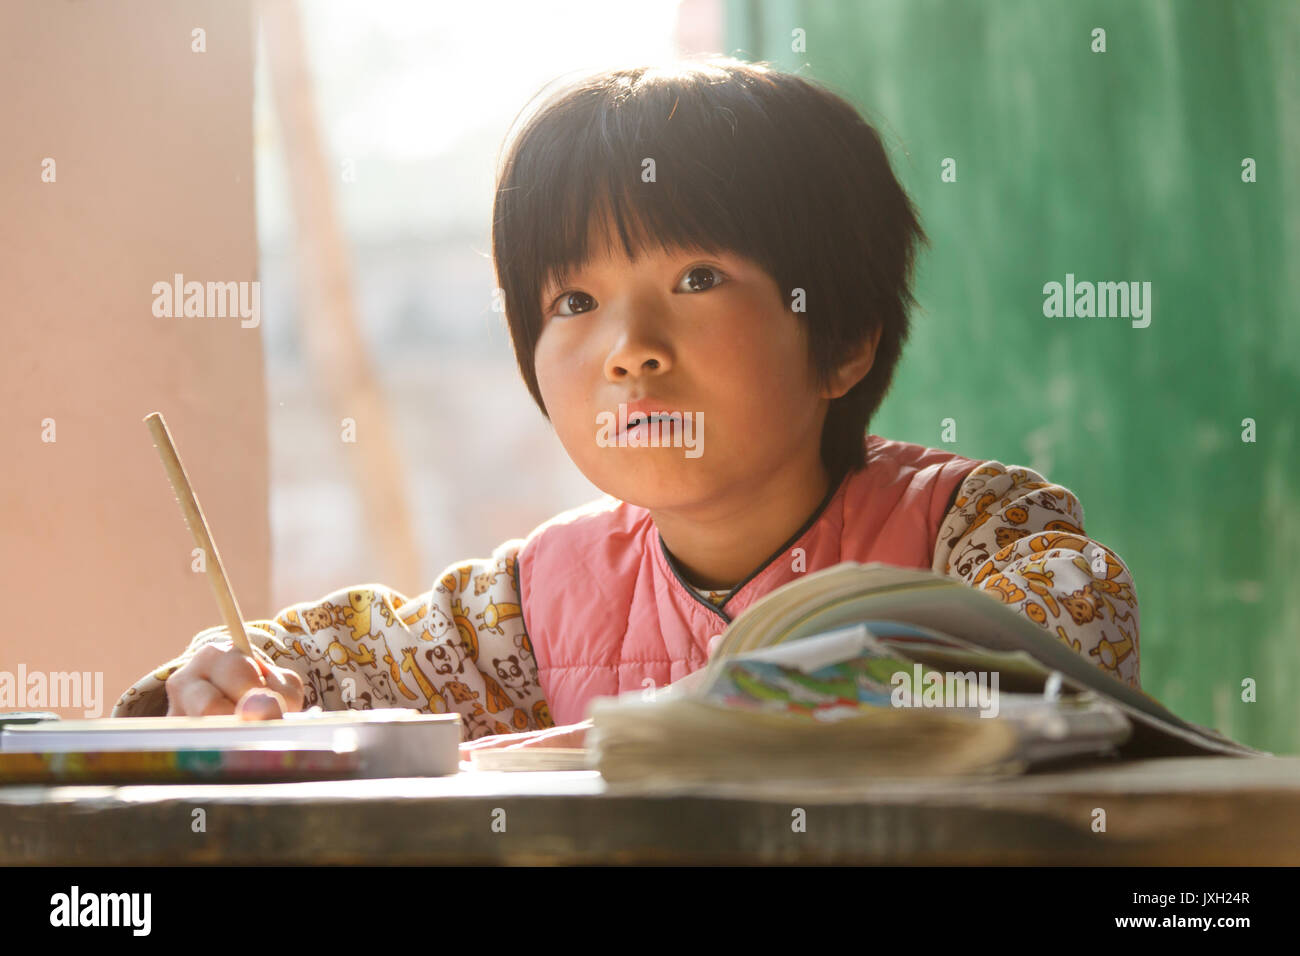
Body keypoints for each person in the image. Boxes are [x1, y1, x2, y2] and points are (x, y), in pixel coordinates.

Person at [112, 57, 1140, 761]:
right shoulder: (529, 605)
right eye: (574, 301)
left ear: (840, 339)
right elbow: (317, 669)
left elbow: (1072, 629)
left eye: (696, 279)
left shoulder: (974, 527)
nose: (629, 349)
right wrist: (214, 684)